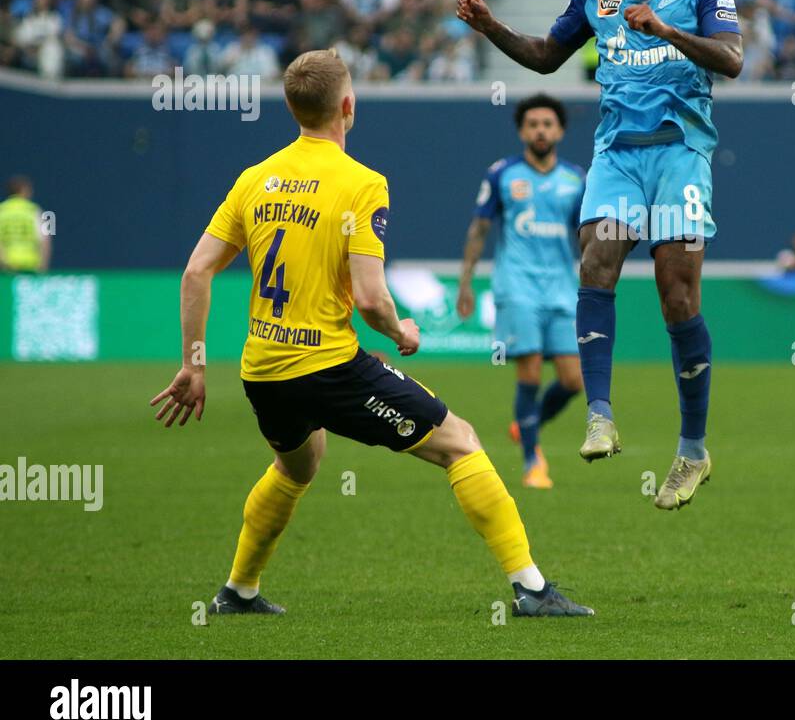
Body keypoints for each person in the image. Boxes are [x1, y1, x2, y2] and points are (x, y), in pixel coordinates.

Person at [149, 49, 592, 618]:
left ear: (291, 108)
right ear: (348, 107)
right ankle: (531, 590)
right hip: (331, 368)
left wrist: (194, 363)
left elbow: (196, 271)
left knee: (297, 467)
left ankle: (239, 591)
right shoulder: (362, 184)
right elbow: (370, 297)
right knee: (460, 442)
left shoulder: (255, 179)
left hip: (261, 371)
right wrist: (399, 329)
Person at [456, 0, 744, 510]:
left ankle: (692, 450)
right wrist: (489, 26)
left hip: (680, 154)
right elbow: (543, 57)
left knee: (677, 296)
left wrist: (665, 29)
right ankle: (600, 415)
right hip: (617, 155)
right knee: (596, 261)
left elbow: (732, 60)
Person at [456, 93, 586, 490]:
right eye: (533, 124)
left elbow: (586, 236)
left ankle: (526, 426)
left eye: (548, 123)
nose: (540, 130)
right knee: (528, 369)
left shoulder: (575, 179)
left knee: (573, 380)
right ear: (521, 131)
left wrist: (597, 281)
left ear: (560, 130)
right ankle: (533, 461)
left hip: (562, 289)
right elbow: (479, 228)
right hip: (517, 286)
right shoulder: (502, 174)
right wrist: (465, 281)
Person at [0, 175, 50, 272]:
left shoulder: (2, 211)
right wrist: (43, 265)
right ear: (24, 190)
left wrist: (4, 261)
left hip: (6, 268)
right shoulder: (35, 211)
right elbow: (45, 241)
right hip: (31, 266)